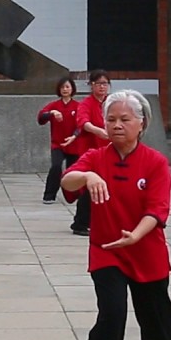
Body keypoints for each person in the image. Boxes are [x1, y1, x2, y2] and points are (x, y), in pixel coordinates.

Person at [61, 90, 171, 340]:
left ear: (141, 124)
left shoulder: (156, 162)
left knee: (156, 312)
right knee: (113, 314)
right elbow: (68, 181)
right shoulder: (97, 158)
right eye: (111, 119)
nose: (117, 125)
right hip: (107, 251)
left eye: (124, 119)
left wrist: (136, 236)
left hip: (146, 249)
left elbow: (158, 210)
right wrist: (87, 175)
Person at [69, 70, 111, 235]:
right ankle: (80, 223)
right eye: (99, 83)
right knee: (89, 187)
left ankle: (101, 221)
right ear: (91, 85)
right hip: (91, 152)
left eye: (105, 83)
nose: (102, 87)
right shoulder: (86, 104)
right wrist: (97, 130)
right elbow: (82, 121)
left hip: (109, 150)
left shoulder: (111, 102)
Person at [38, 76, 81, 204]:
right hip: (58, 144)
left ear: (72, 89)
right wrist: (52, 113)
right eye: (62, 87)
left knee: (73, 171)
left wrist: (74, 136)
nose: (65, 89)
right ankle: (49, 195)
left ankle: (74, 195)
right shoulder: (54, 105)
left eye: (67, 86)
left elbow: (81, 125)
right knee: (56, 166)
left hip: (74, 144)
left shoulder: (78, 106)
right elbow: (41, 118)